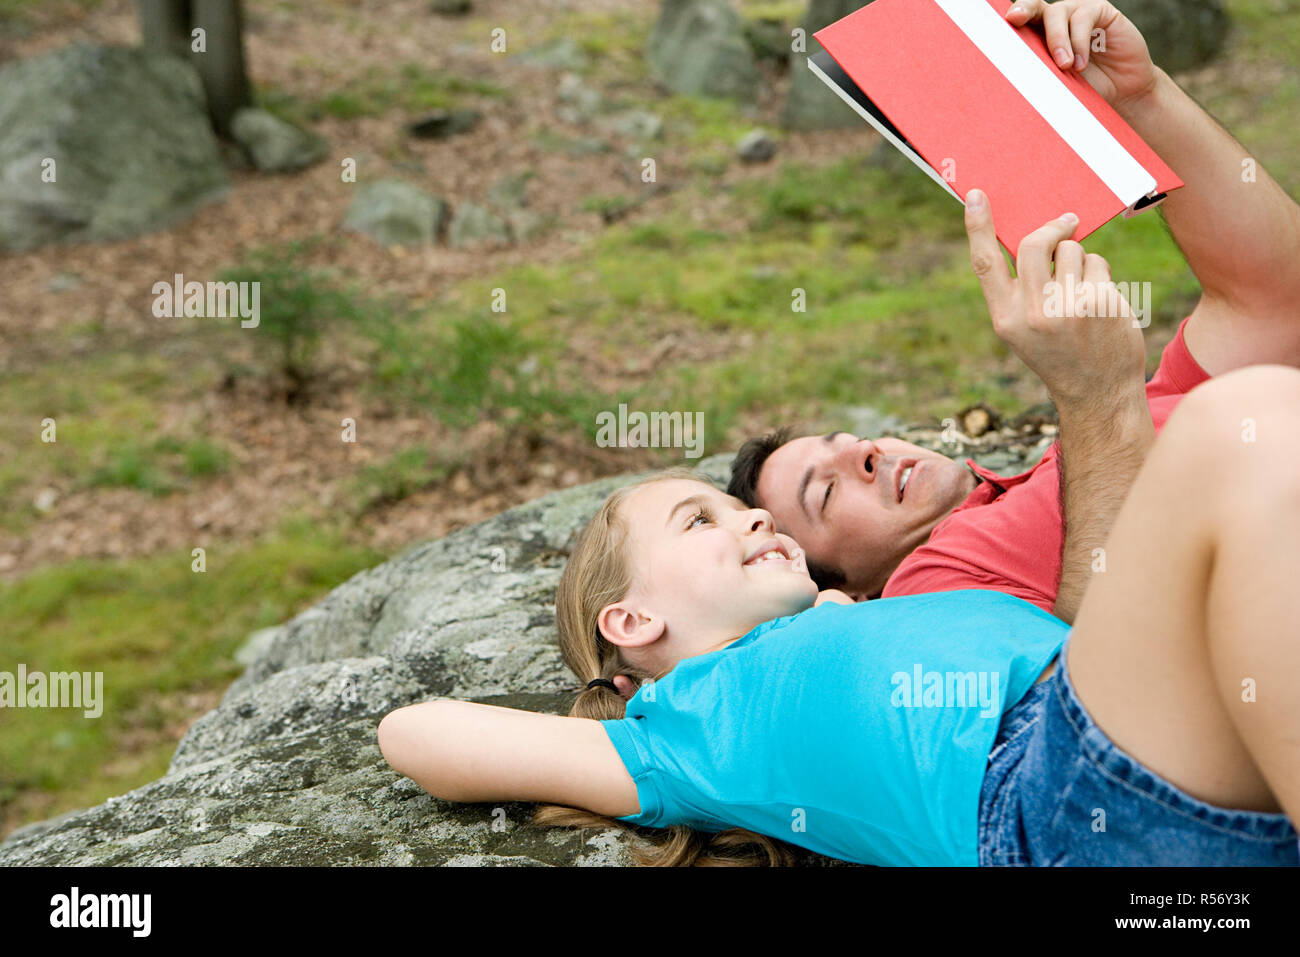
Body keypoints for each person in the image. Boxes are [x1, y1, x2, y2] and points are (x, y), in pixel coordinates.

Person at [377, 355, 1300, 865]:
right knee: (1236, 421)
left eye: (748, 511)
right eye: (701, 520)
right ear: (632, 622)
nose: (749, 520)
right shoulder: (684, 726)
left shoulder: (863, 615)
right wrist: (603, 717)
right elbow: (412, 733)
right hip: (1046, 802)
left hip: (1138, 753)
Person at [727, 0, 1300, 621]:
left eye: (854, 441)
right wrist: (1096, 398)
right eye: (828, 492)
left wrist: (1141, 99)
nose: (866, 454)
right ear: (848, 591)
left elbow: (1271, 301)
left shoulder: (1089, 452)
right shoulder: (931, 589)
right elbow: (1104, 683)